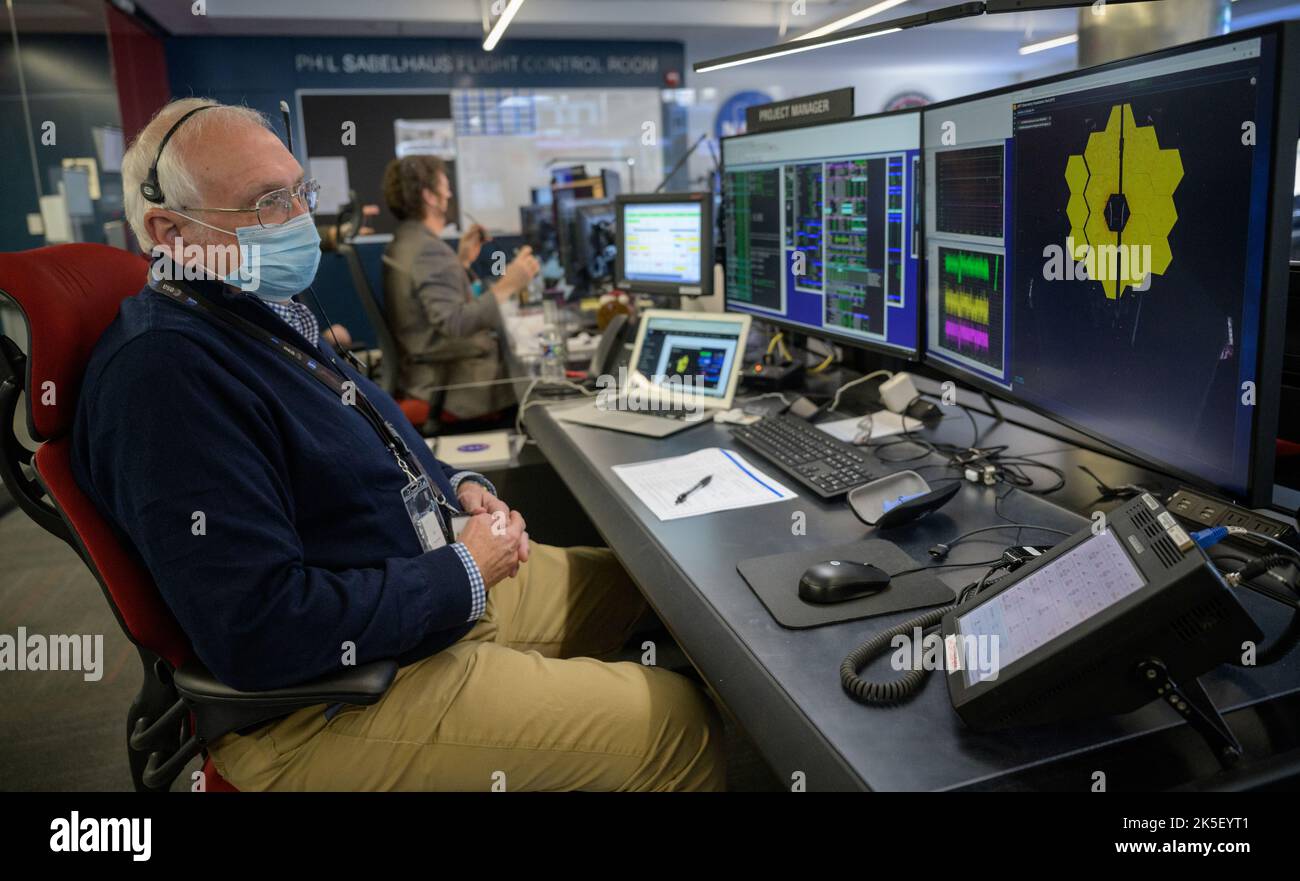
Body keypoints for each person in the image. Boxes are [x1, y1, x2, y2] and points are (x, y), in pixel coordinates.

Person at [71, 97, 724, 791]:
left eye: (301, 191)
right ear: (171, 231)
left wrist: (457, 489)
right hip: (328, 701)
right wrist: (464, 570)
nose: (299, 219)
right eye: (268, 204)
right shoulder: (165, 377)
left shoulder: (248, 312)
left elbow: (371, 434)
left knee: (648, 590)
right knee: (675, 724)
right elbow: (258, 626)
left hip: (411, 592)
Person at [381, 156, 539, 421]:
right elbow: (454, 322)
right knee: (540, 393)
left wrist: (461, 261)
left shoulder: (407, 241)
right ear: (429, 196)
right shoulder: (429, 250)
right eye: (444, 186)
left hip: (427, 374)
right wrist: (508, 284)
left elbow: (429, 303)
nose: (450, 193)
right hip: (453, 386)